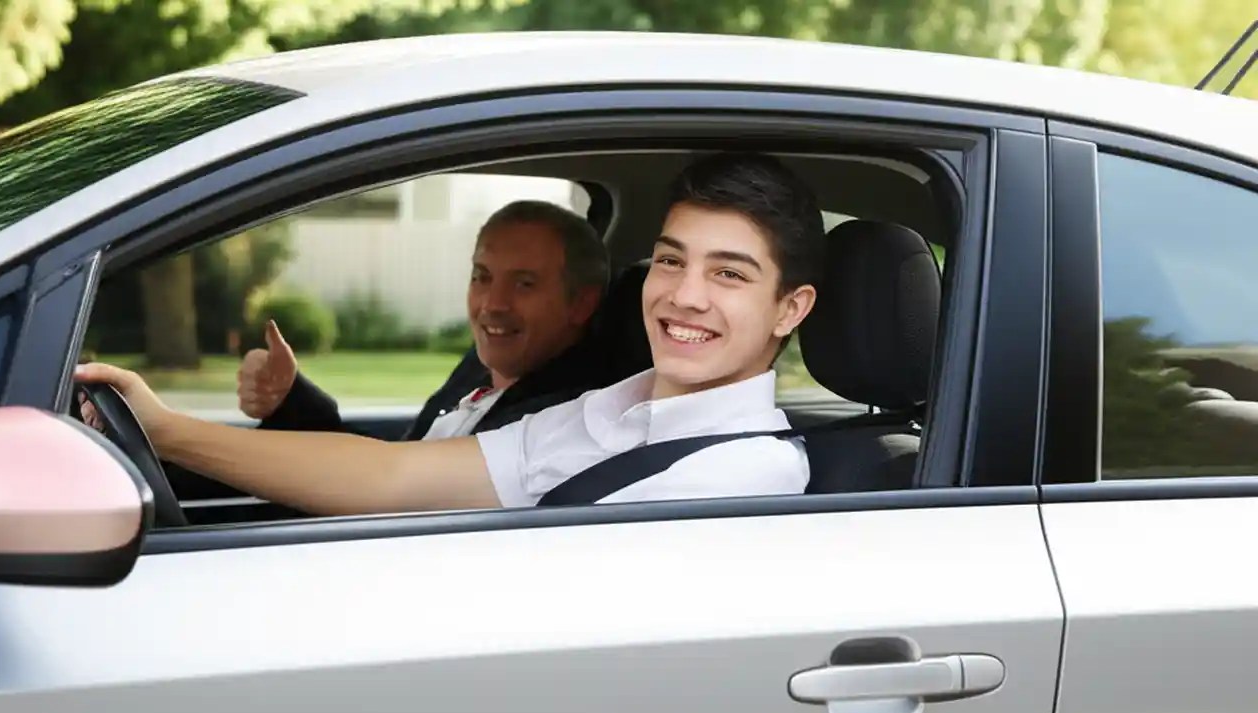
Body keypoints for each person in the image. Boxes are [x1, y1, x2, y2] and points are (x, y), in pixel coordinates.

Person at [75, 151, 825, 512]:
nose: (683, 296)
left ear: (790, 309)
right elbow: (393, 478)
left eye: (728, 274)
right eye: (670, 261)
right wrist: (165, 431)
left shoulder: (743, 477)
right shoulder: (606, 410)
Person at [238, 200, 611, 441]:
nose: (492, 303)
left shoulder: (560, 420)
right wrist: (289, 398)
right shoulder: (485, 369)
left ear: (580, 304)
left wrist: (184, 437)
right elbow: (399, 459)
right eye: (482, 276)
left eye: (524, 284)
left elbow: (388, 483)